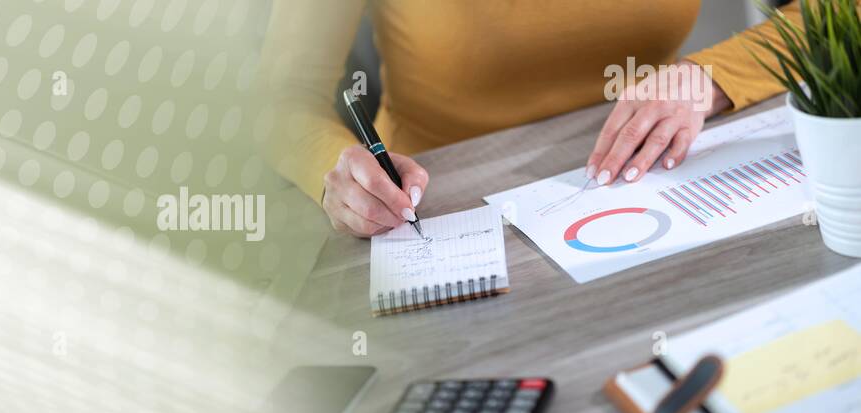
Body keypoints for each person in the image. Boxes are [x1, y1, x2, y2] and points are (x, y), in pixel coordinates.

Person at [261, 0, 805, 237]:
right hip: (436, 201)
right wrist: (331, 170)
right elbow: (280, 98)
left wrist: (711, 76)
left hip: (661, 171)